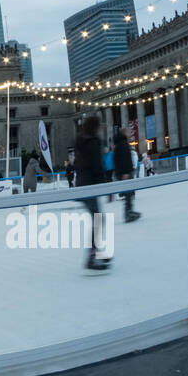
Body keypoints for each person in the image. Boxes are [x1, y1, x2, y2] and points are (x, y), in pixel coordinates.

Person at [75, 116, 111, 270]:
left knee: (97, 219)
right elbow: (97, 165)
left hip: (83, 184)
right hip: (91, 185)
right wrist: (106, 187)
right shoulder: (94, 141)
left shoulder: (81, 140)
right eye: (99, 125)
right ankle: (92, 257)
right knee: (98, 219)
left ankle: (94, 253)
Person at [113, 127, 141, 222]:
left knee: (128, 194)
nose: (130, 134)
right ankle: (128, 213)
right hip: (125, 173)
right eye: (129, 132)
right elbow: (123, 159)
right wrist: (125, 173)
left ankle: (129, 212)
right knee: (128, 194)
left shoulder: (120, 144)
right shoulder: (123, 144)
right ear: (124, 133)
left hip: (124, 172)